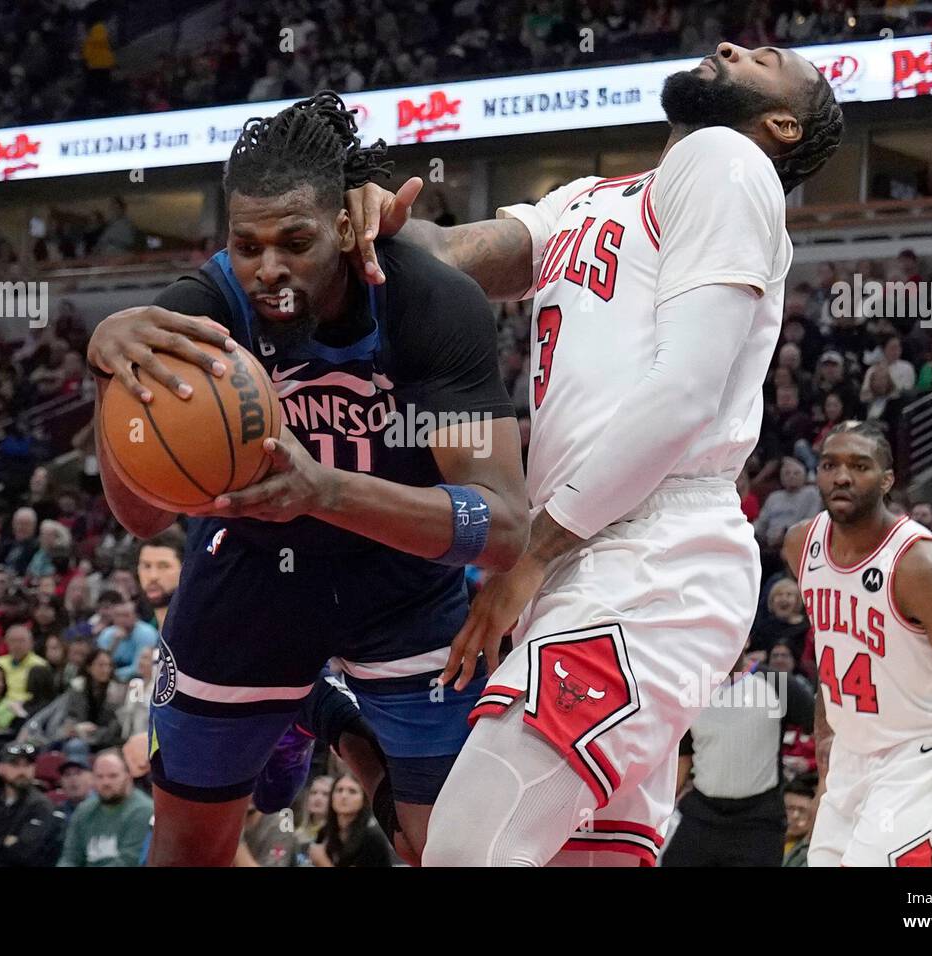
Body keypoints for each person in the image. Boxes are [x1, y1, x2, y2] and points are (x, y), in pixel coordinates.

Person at [349, 41, 844, 867]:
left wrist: (532, 556)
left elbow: (685, 393)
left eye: (765, 57)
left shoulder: (727, 159)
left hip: (651, 553)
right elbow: (448, 259)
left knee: (468, 848)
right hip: (583, 548)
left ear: (782, 123)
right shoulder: (593, 195)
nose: (729, 45)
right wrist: (368, 224)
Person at [87, 93, 529, 866]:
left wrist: (323, 490)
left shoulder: (429, 302)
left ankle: (327, 716)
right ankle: (316, 708)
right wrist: (109, 384)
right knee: (189, 855)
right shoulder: (202, 311)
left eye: (295, 241)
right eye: (247, 245)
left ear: (350, 226)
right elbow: (142, 522)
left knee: (450, 850)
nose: (269, 270)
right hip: (251, 581)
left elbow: (500, 529)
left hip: (404, 582)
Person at [782, 423, 932, 865]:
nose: (841, 477)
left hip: (920, 757)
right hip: (851, 756)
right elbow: (834, 651)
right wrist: (828, 739)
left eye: (859, 466)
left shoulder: (920, 565)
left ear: (887, 480)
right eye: (830, 465)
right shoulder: (800, 544)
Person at [661, 653, 814, 867]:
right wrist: (661, 809)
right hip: (703, 814)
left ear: (747, 639)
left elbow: (820, 724)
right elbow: (684, 755)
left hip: (758, 821)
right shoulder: (692, 690)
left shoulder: (776, 683)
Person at [0, 743, 63, 867]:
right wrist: (5, 841)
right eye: (15, 765)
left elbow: (24, 853)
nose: (22, 771)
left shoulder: (41, 805)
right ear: (0, 768)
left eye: (27, 765)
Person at [58, 749, 154, 867]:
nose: (106, 782)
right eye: (100, 776)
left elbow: (129, 861)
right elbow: (70, 857)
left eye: (113, 776)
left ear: (128, 777)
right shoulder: (84, 811)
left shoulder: (143, 810)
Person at [309, 773, 395, 867]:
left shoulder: (372, 837)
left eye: (352, 791)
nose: (344, 796)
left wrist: (323, 863)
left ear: (364, 799)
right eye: (339, 790)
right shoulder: (325, 832)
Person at [781, 778, 816, 867]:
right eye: (790, 808)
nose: (795, 816)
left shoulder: (811, 852)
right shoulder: (762, 842)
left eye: (802, 810)